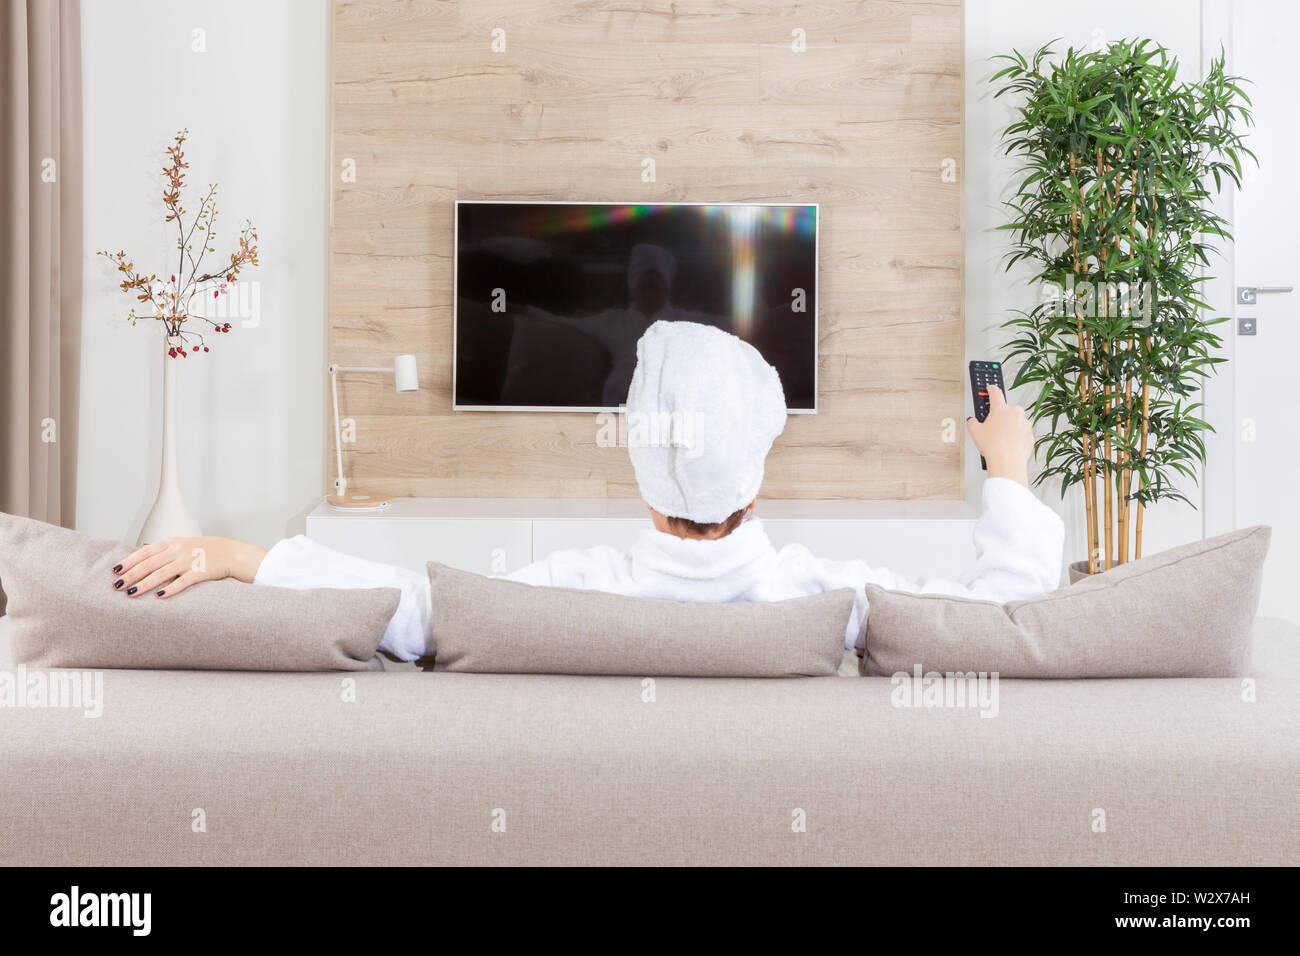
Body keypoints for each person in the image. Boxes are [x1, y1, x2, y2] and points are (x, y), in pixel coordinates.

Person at [110, 321, 1064, 660]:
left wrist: (237, 555)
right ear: (760, 467)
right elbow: (1009, 620)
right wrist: (1009, 473)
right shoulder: (842, 604)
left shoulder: (551, 595)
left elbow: (394, 611)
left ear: (642, 468)